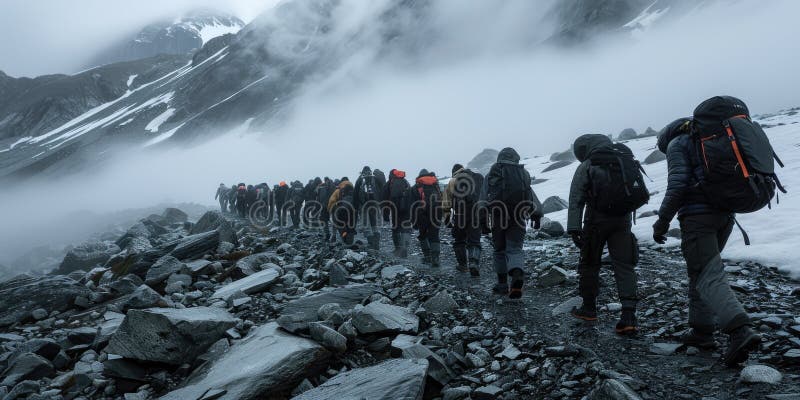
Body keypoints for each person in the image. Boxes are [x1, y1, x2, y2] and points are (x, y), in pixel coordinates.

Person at [654, 115, 760, 367]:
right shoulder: (710, 138)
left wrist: (662, 221)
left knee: (708, 275)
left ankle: (740, 330)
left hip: (698, 217)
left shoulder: (677, 143)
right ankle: (702, 332)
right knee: (701, 272)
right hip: (725, 215)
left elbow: (677, 185)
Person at [566, 134, 640, 334]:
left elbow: (576, 198)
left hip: (596, 221)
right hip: (623, 221)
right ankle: (628, 316)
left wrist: (574, 228)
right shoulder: (623, 159)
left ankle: (588, 309)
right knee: (625, 265)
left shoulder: (588, 164)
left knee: (590, 263)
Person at [487, 147, 543, 299]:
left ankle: (502, 284)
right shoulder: (523, 173)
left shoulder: (493, 172)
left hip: (498, 217)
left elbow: (483, 198)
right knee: (515, 249)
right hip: (519, 216)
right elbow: (531, 196)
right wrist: (536, 215)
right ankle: (517, 276)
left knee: (499, 250)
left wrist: (481, 219)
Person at [443, 163, 485, 276]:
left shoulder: (453, 181)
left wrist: (447, 218)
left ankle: (463, 265)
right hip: (477, 213)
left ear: (454, 172)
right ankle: (473, 263)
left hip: (461, 214)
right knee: (474, 241)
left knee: (459, 240)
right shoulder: (478, 177)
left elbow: (446, 203)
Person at [410, 169, 442, 267]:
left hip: (421, 214)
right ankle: (435, 258)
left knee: (423, 234)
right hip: (436, 213)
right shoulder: (435, 185)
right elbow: (441, 199)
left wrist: (413, 221)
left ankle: (427, 256)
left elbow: (412, 206)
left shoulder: (415, 187)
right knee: (434, 235)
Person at [383, 168, 413, 258]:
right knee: (406, 228)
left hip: (395, 209)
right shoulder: (405, 182)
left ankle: (397, 248)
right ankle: (405, 248)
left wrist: (386, 214)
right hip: (406, 209)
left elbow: (385, 200)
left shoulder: (389, 184)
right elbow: (411, 196)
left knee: (396, 228)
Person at [354, 166, 383, 250]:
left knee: (366, 225)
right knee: (375, 224)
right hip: (375, 204)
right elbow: (382, 190)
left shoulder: (359, 179)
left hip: (363, 206)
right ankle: (376, 244)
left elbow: (355, 194)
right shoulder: (376, 179)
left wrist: (356, 207)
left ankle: (371, 244)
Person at [328, 177, 357, 245]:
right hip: (353, 212)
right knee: (350, 227)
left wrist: (330, 210)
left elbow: (331, 201)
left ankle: (343, 239)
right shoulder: (354, 190)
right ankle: (349, 242)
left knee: (340, 226)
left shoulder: (338, 190)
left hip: (341, 211)